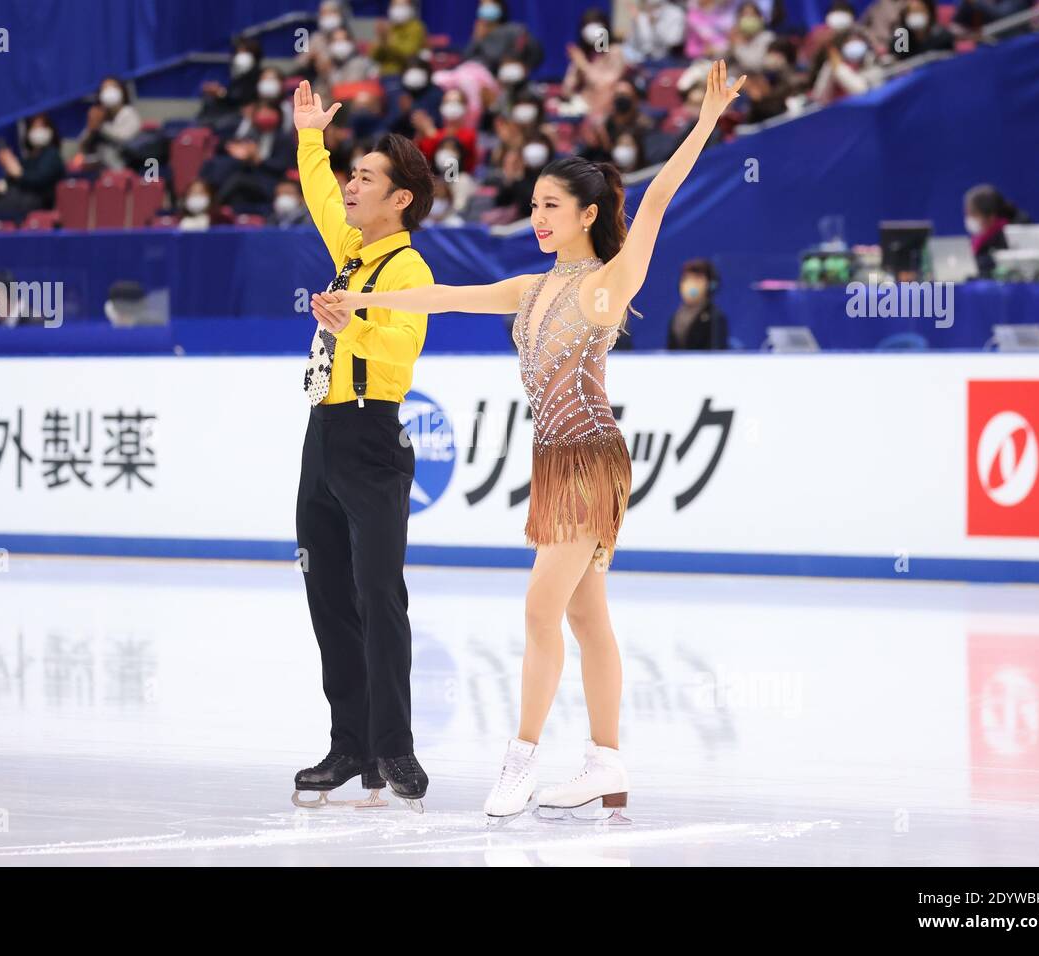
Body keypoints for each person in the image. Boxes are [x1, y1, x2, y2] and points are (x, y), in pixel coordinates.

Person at [312, 61, 746, 823]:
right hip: (553, 461)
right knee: (585, 618)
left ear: (586, 213)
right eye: (535, 204)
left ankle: (521, 759)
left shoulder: (609, 282)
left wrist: (707, 120)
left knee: (540, 609)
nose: (538, 215)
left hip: (593, 458)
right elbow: (443, 297)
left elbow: (656, 201)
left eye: (552, 205)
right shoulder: (531, 287)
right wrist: (363, 298)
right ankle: (607, 764)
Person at [289, 80, 437, 811]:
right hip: (322, 434)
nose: (352, 184)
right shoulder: (350, 247)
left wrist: (354, 327)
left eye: (367, 177)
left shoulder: (409, 272)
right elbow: (318, 192)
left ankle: (394, 748)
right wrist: (310, 137)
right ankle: (349, 743)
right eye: (354, 174)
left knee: (379, 595)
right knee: (327, 595)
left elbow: (400, 356)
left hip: (373, 436)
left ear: (401, 197)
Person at [0, 113, 64, 223]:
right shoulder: (29, 158)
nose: (38, 131)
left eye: (42, 127)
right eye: (34, 127)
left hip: (35, 200)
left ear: (51, 130)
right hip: (17, 195)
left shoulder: (52, 155)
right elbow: (13, 178)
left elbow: (38, 180)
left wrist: (17, 172)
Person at [73, 77, 142, 172]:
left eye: (113, 87)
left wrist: (101, 127)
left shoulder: (129, 113)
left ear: (122, 91)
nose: (109, 91)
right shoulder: (99, 114)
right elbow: (82, 144)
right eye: (105, 88)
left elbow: (125, 137)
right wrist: (92, 126)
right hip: (97, 167)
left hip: (124, 165)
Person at [668, 259, 730, 348]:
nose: (690, 284)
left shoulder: (715, 317)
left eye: (697, 279)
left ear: (711, 285)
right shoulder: (675, 317)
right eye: (686, 279)